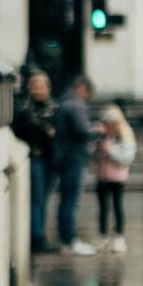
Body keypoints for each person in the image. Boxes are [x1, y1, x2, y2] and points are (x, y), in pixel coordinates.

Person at [12, 68, 57, 253]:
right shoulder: (24, 110)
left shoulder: (54, 109)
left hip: (50, 159)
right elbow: (22, 133)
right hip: (36, 159)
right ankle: (37, 237)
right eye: (35, 86)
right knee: (37, 199)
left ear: (48, 88)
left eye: (41, 86)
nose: (38, 90)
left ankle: (40, 234)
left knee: (45, 198)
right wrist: (45, 133)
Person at [52, 76, 96, 253]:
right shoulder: (76, 105)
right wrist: (97, 130)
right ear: (82, 89)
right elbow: (83, 130)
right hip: (74, 157)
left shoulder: (63, 102)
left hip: (63, 155)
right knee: (71, 200)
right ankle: (70, 240)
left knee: (65, 200)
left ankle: (65, 239)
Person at [92, 103, 137, 252]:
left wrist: (109, 150)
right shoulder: (102, 136)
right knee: (103, 209)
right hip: (102, 177)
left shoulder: (125, 136)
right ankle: (103, 237)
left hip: (117, 178)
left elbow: (126, 158)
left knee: (117, 207)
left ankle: (119, 238)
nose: (109, 126)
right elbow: (92, 155)